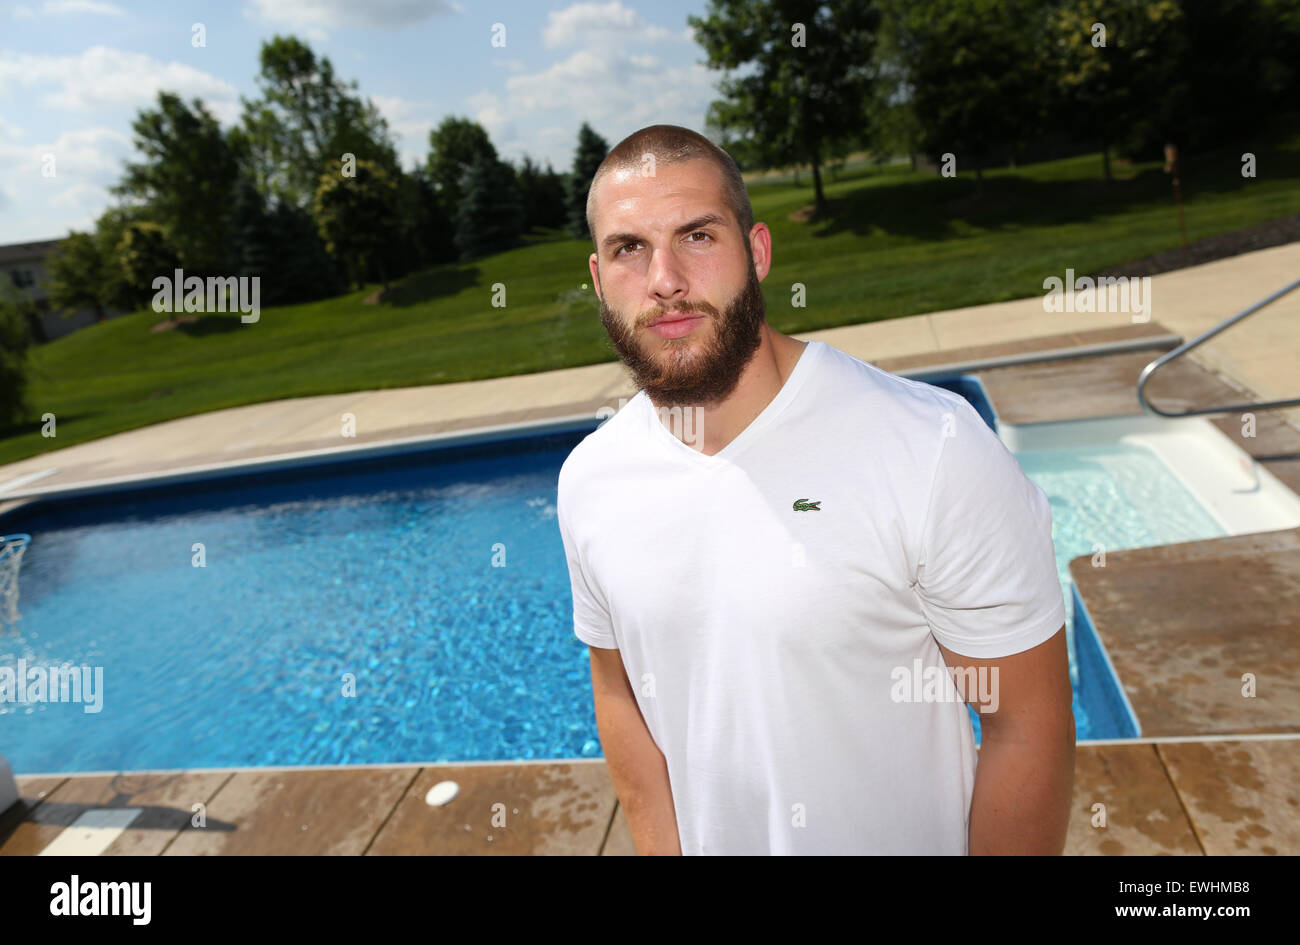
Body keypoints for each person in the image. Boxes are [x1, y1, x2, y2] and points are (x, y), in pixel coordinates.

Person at [555, 124, 1074, 855]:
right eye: (629, 248)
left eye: (697, 236)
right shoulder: (590, 479)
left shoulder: (930, 447)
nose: (664, 277)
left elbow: (1028, 723)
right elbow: (619, 694)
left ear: (758, 251)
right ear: (598, 274)